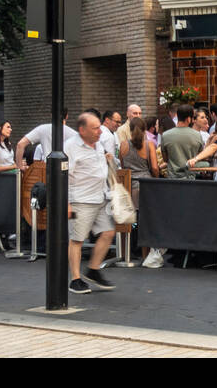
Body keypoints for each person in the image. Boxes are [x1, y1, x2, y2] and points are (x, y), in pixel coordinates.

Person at [66, 112, 117, 295]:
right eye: (95, 128)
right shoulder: (70, 147)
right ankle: (75, 279)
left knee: (108, 232)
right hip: (80, 200)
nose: (100, 132)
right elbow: (63, 176)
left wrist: (108, 160)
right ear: (82, 130)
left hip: (100, 197)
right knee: (77, 239)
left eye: (99, 128)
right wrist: (67, 204)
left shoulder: (98, 144)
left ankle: (93, 270)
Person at [161, 104, 215, 179]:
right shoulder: (197, 135)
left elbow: (165, 159)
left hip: (172, 177)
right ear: (188, 119)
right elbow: (200, 156)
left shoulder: (165, 135)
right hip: (190, 178)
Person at [119, 117, 158, 205]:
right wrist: (156, 179)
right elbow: (155, 168)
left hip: (128, 186)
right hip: (146, 184)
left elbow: (122, 167)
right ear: (144, 129)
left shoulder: (123, 145)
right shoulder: (149, 145)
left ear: (130, 129)